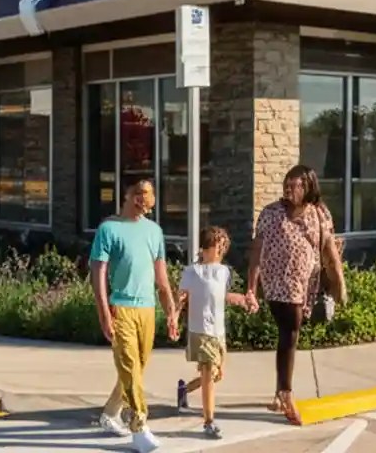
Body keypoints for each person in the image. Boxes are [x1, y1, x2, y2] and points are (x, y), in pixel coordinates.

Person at [245, 164, 346, 426]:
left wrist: (340, 284)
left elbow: (329, 250)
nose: (288, 190)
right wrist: (251, 286)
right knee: (290, 331)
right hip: (278, 283)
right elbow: (256, 250)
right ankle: (286, 394)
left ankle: (280, 390)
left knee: (289, 334)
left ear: (308, 186)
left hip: (306, 284)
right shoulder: (271, 213)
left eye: (294, 185)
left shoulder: (320, 214)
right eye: (286, 185)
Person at [89, 179, 179, 453]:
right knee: (129, 366)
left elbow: (161, 277)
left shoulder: (154, 231)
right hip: (121, 306)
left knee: (136, 370)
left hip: (148, 308)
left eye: (150, 194)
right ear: (127, 195)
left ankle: (110, 413)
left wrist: (172, 313)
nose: (145, 199)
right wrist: (104, 311)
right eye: (140, 193)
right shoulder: (108, 229)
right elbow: (98, 272)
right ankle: (139, 426)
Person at [171, 225, 253, 440]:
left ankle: (184, 390)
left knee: (216, 375)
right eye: (216, 245)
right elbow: (181, 298)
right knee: (208, 374)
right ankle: (209, 422)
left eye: (222, 246)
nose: (220, 249)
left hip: (219, 332)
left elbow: (222, 296)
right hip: (201, 330)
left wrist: (244, 300)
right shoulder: (192, 272)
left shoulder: (224, 272)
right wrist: (174, 317)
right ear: (206, 248)